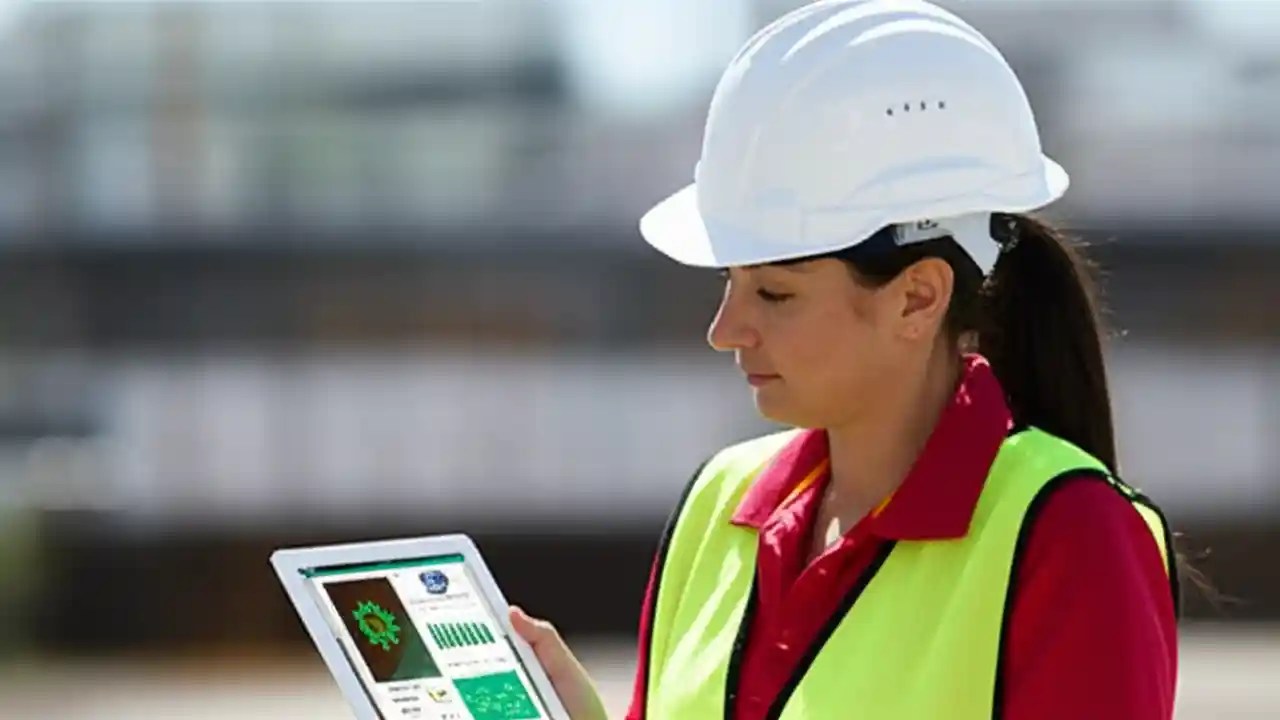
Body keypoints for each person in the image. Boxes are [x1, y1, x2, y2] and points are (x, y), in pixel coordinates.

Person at [509, 1, 1181, 718]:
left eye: (774, 293)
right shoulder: (718, 503)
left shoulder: (1073, 533)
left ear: (918, 298)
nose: (725, 330)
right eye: (728, 283)